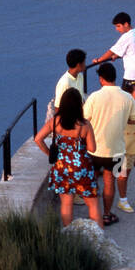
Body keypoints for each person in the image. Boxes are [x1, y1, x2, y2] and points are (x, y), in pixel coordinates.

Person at [33, 89, 103, 227]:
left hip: (62, 167)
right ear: (79, 105)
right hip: (82, 167)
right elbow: (92, 148)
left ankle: (68, 234)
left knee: (66, 203)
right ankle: (99, 238)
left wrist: (50, 154)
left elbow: (38, 139)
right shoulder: (84, 125)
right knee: (93, 204)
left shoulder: (55, 122)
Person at [82, 62, 133, 226]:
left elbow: (84, 119)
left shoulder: (94, 97)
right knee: (110, 182)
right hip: (118, 150)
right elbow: (133, 118)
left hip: (94, 150)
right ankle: (106, 214)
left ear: (101, 79)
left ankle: (94, 214)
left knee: (93, 180)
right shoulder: (127, 97)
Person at [92, 12, 135, 109]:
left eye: (118, 26)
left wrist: (99, 60)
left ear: (126, 24)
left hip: (132, 75)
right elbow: (131, 50)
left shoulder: (127, 36)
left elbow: (112, 50)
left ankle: (130, 123)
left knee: (126, 102)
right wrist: (117, 55)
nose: (117, 29)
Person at [48, 48, 87, 125]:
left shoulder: (80, 76)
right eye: (84, 62)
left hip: (79, 114)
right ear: (79, 64)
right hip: (70, 120)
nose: (85, 65)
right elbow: (57, 108)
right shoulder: (64, 83)